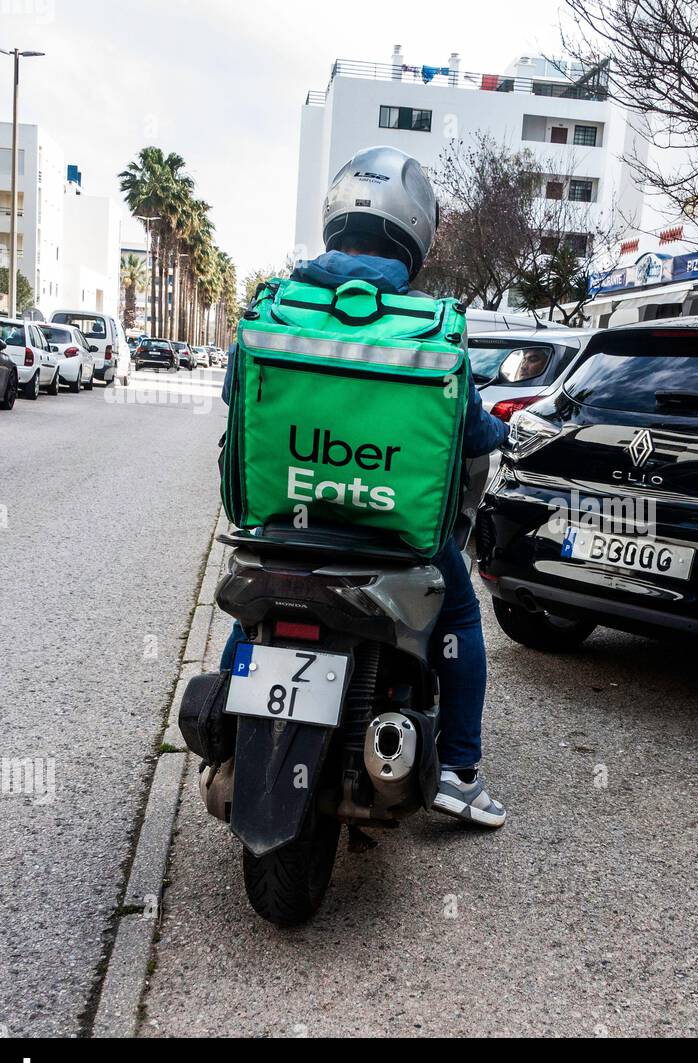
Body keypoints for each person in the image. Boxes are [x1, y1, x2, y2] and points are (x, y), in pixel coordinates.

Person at [221, 146, 510, 828]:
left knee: (252, 613)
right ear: (415, 235)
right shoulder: (433, 330)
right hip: (395, 537)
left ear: (333, 221)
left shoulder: (273, 309)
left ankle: (228, 727)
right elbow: (470, 435)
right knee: (463, 617)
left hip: (283, 526)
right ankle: (460, 773)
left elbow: (238, 397)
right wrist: (501, 434)